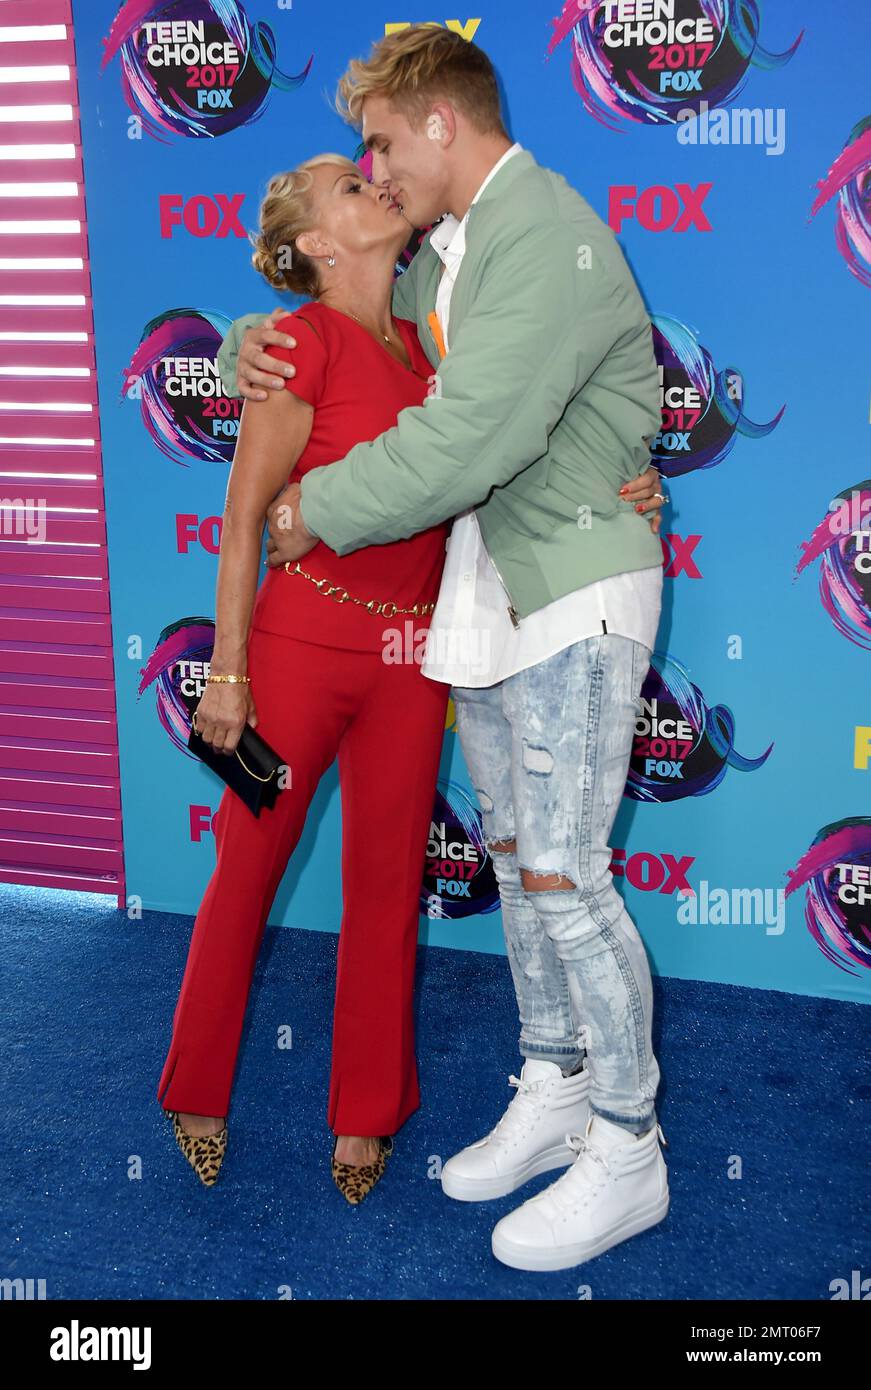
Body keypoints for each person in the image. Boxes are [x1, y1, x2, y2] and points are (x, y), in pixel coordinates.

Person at [216, 25, 672, 1270]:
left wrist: (309, 516)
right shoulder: (444, 259)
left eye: (377, 142)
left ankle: (629, 1149)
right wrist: (239, 344)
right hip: (488, 596)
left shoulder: (546, 234)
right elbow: (344, 320)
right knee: (523, 857)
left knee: (567, 873)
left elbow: (468, 437)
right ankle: (554, 1084)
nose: (372, 167)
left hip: (573, 587)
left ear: (438, 122)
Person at [156, 152, 456, 1203]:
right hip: (289, 659)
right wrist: (226, 674)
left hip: (413, 664)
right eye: (345, 184)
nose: (375, 182)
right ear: (315, 246)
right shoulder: (294, 345)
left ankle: (366, 1115)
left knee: (385, 893)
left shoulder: (432, 345)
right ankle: (195, 1090)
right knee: (245, 874)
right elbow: (243, 520)